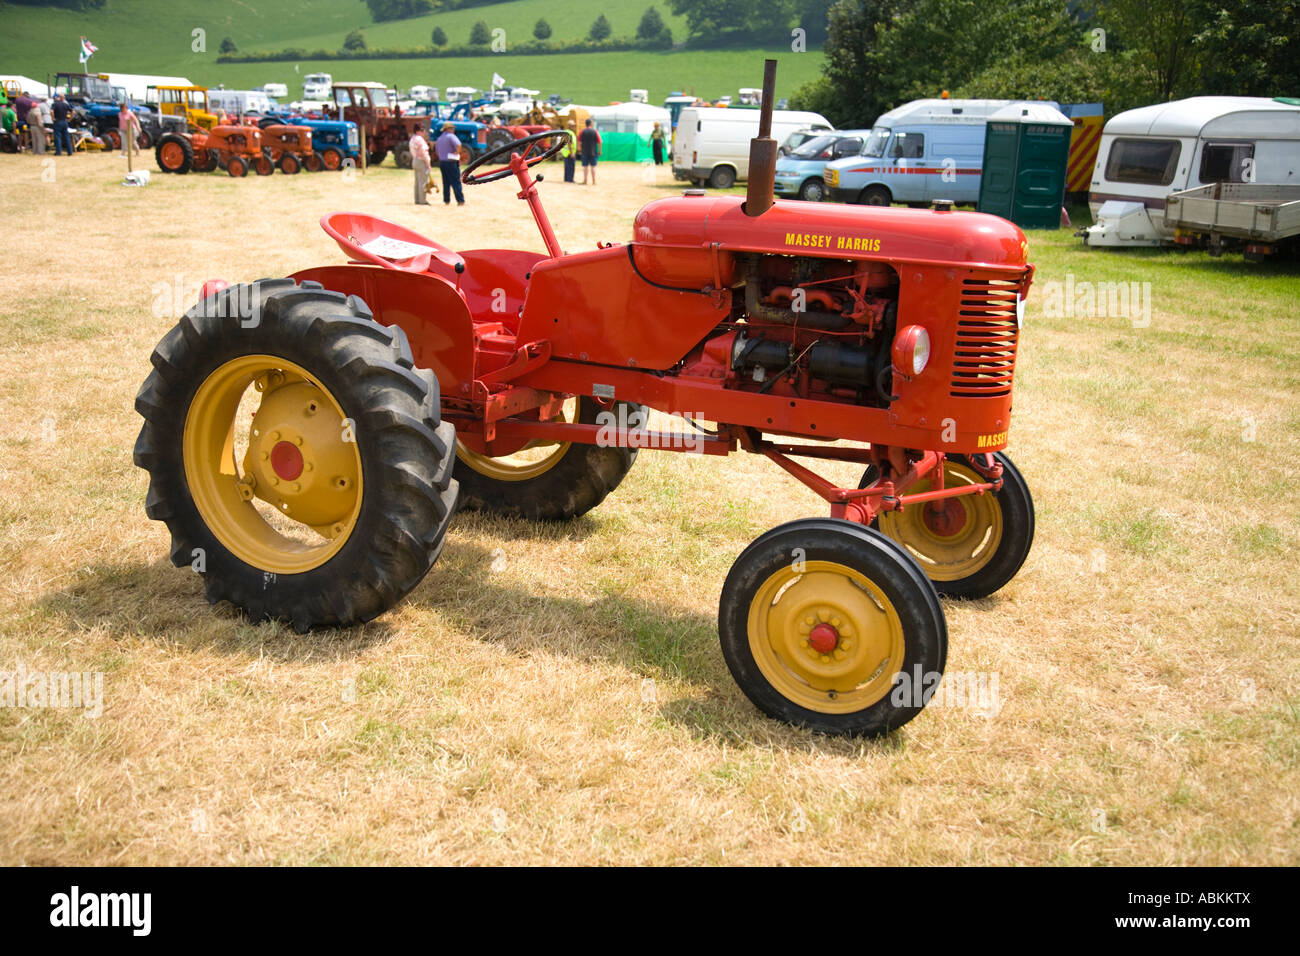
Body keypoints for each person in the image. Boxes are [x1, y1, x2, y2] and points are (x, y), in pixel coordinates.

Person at [434, 121, 464, 206]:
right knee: (456, 181)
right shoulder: (451, 136)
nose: (453, 130)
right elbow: (459, 145)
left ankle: (446, 200)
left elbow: (437, 152)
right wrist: (457, 153)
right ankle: (460, 200)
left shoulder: (439, 138)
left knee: (446, 182)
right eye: (452, 128)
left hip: (442, 162)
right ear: (449, 129)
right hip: (451, 161)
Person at [410, 128, 431, 205]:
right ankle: (422, 200)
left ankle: (417, 199)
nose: (424, 132)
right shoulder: (420, 140)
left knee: (417, 182)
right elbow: (423, 152)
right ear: (419, 131)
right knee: (423, 181)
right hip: (421, 161)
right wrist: (428, 164)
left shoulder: (412, 139)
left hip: (415, 160)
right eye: (423, 131)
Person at [579, 118, 601, 185]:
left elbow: (579, 142)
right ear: (591, 124)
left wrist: (580, 150)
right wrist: (600, 151)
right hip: (593, 152)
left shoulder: (582, 131)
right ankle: (594, 181)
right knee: (593, 167)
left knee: (585, 167)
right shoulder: (595, 131)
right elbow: (599, 142)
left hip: (584, 151)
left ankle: (585, 180)